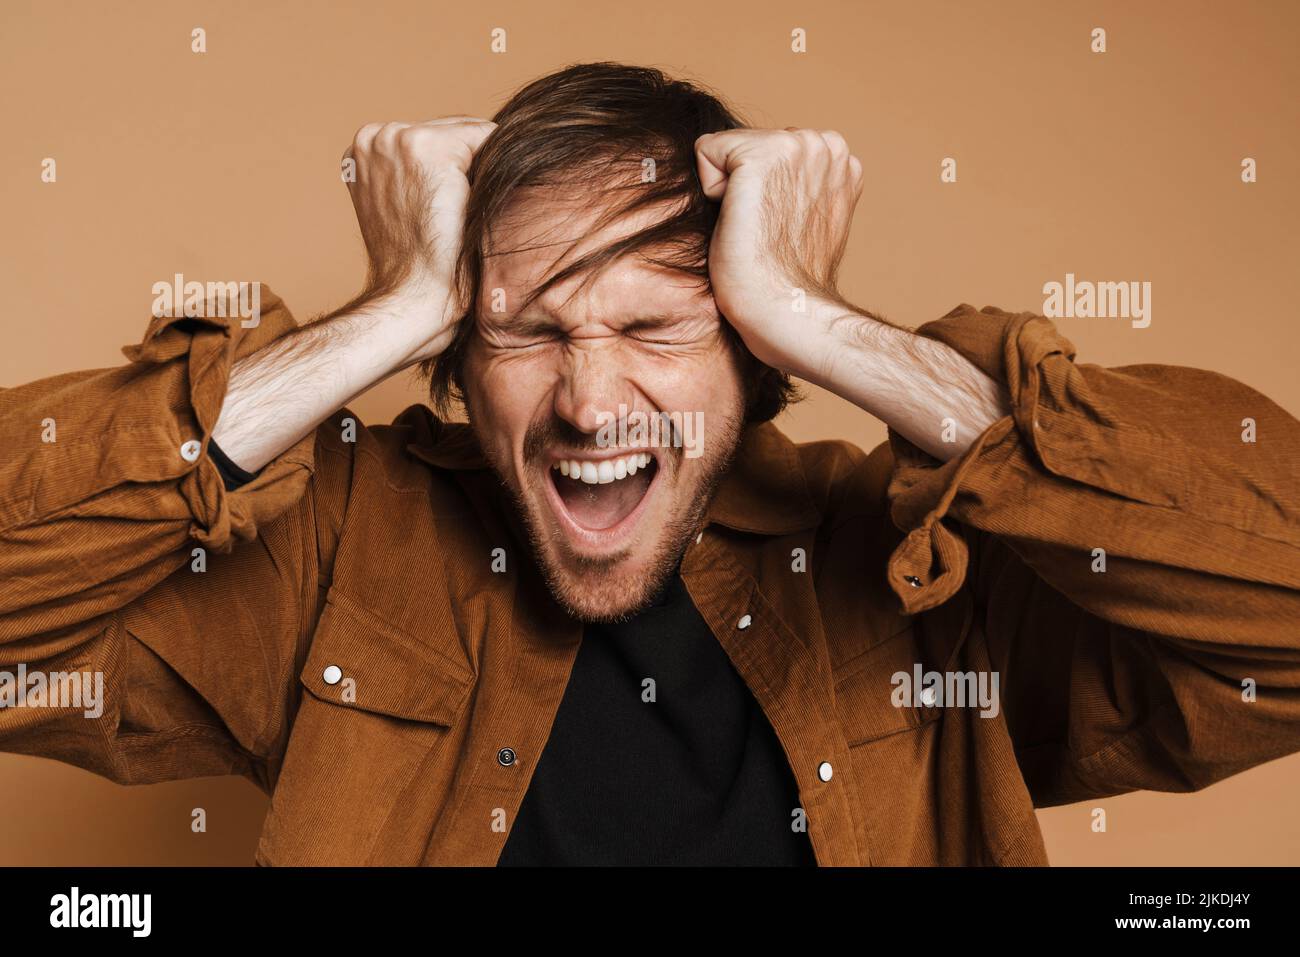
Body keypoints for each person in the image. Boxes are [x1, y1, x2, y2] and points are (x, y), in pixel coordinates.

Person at [1, 62, 1297, 866]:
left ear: (749, 349)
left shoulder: (922, 576)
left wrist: (824, 320)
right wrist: (384, 312)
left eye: (654, 326)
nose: (588, 397)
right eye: (526, 331)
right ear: (457, 355)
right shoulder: (339, 548)